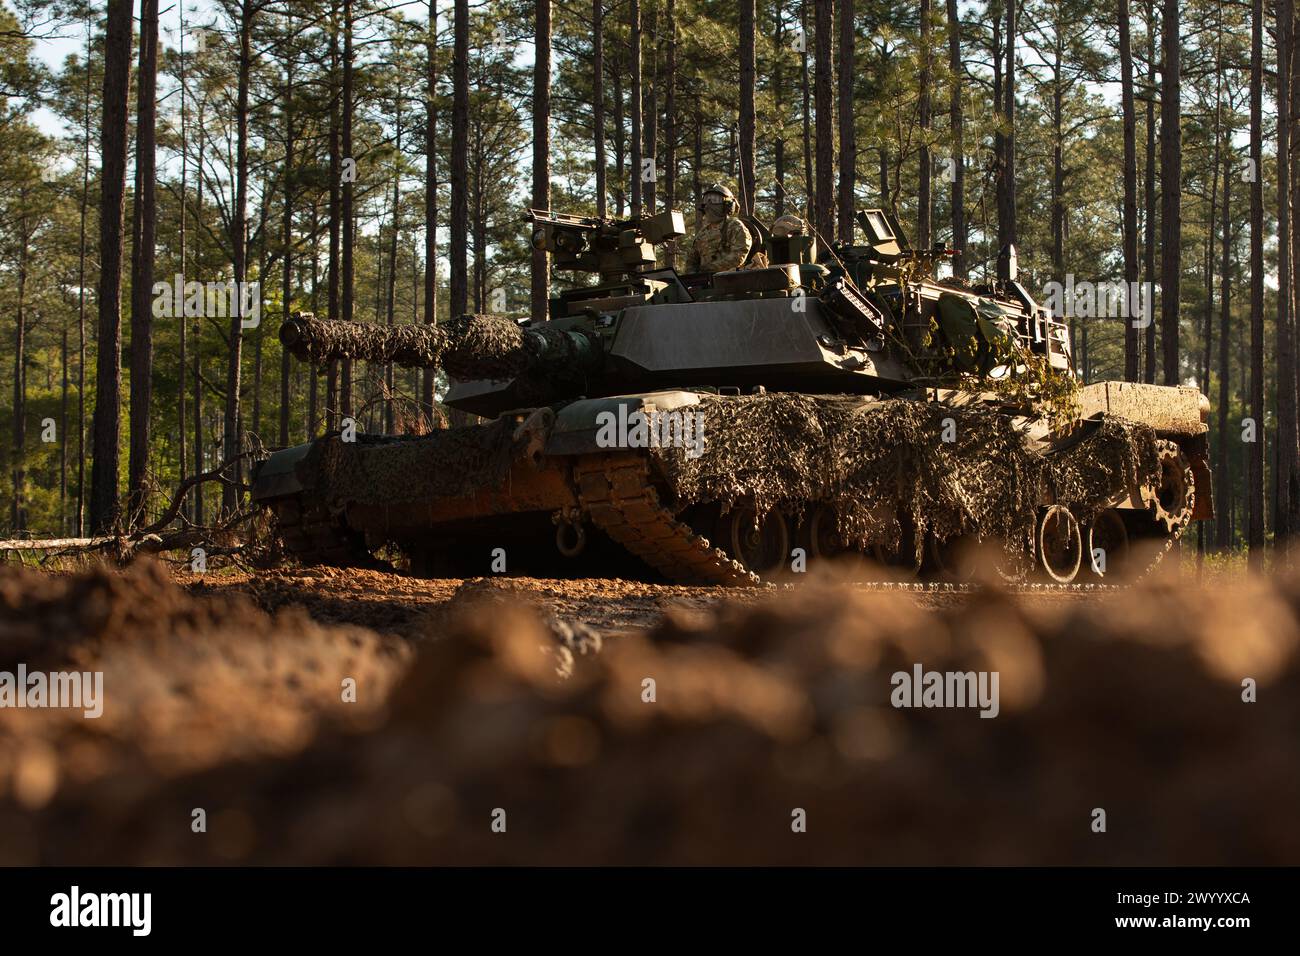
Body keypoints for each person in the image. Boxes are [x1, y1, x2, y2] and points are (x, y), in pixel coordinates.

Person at [685, 183, 752, 274]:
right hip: (704, 282)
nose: (709, 204)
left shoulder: (735, 226)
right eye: (706, 200)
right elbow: (691, 261)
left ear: (728, 205)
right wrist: (693, 277)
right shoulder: (702, 233)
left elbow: (738, 257)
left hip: (729, 279)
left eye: (715, 199)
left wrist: (708, 269)